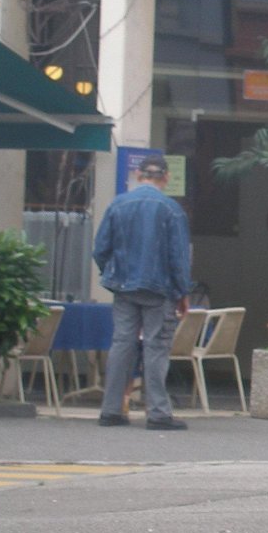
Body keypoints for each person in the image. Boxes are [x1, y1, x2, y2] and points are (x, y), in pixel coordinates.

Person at [92, 156, 193, 430]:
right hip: (159, 290)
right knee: (156, 347)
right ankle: (158, 412)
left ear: (138, 174)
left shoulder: (118, 204)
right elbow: (178, 256)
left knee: (121, 345)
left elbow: (100, 248)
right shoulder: (171, 209)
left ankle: (111, 411)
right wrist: (183, 291)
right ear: (166, 178)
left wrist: (113, 273)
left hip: (124, 287)